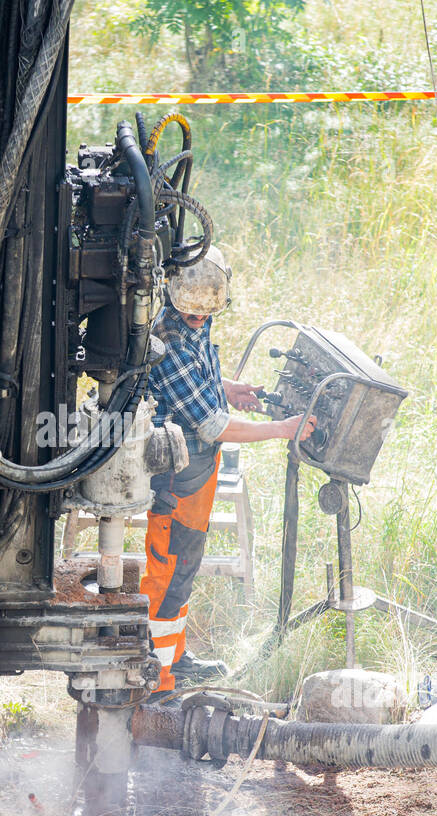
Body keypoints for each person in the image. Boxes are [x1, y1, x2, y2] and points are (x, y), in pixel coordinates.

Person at [142, 245, 312, 699]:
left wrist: (228, 387)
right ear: (173, 297)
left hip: (198, 466)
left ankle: (174, 658)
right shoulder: (165, 339)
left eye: (206, 316)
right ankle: (156, 682)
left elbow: (198, 380)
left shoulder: (195, 311)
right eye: (192, 317)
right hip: (175, 471)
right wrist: (282, 429)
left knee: (187, 566)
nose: (200, 322)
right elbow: (211, 424)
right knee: (168, 571)